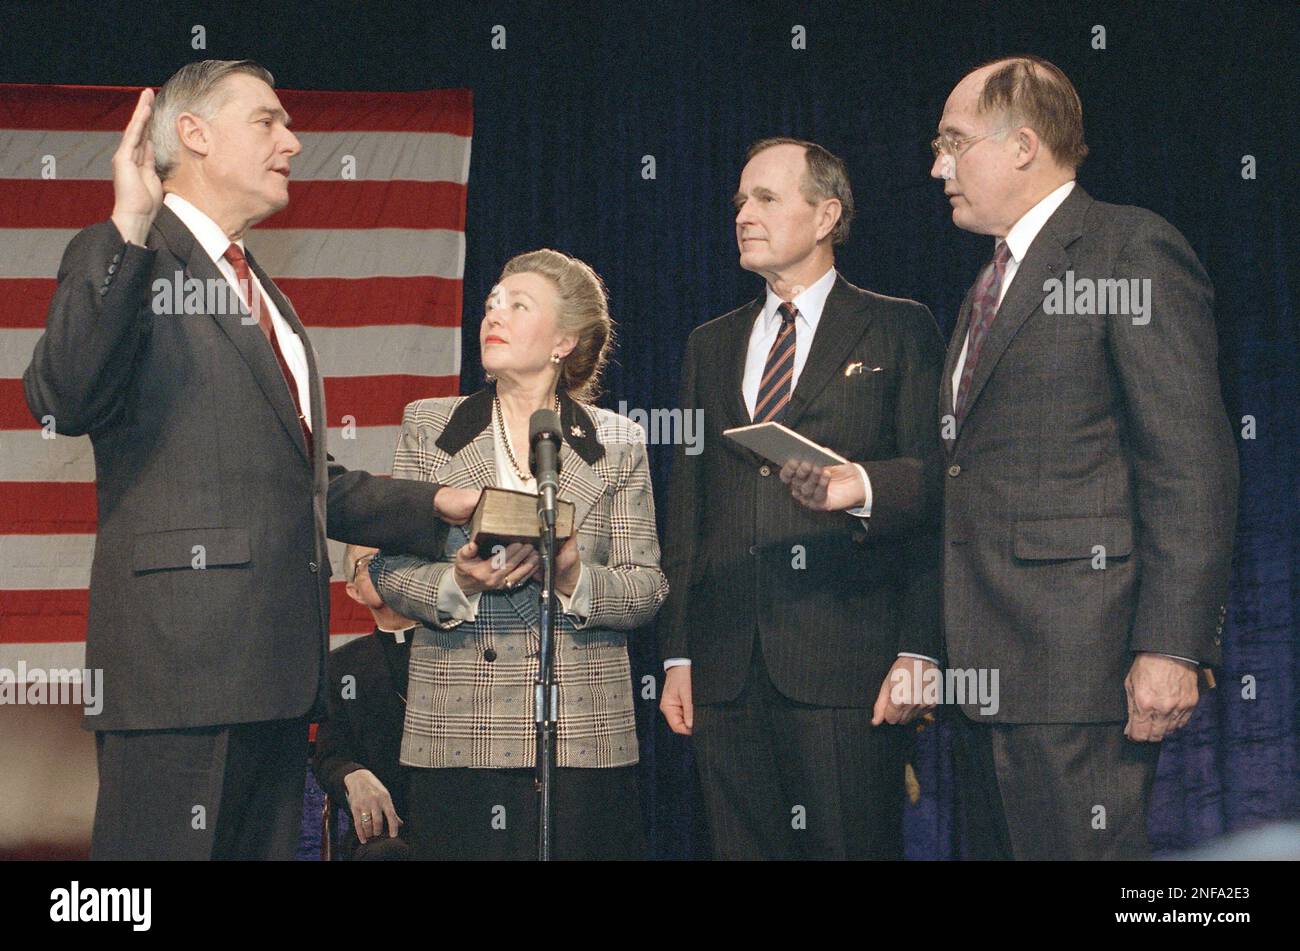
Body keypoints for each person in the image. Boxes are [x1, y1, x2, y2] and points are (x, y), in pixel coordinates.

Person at [22, 60, 475, 860]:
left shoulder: (267, 295)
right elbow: (64, 396)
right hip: (177, 680)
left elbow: (304, 482)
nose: (293, 142)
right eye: (267, 121)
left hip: (276, 683)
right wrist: (128, 224)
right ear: (192, 133)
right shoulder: (127, 255)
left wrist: (439, 507)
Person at [928, 55, 1238, 859]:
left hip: (1080, 670)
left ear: (1024, 144)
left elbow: (1190, 463)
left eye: (953, 142)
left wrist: (1172, 645)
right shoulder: (986, 285)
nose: (938, 167)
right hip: (986, 675)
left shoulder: (1130, 248)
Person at [658, 138, 945, 859]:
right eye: (739, 203)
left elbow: (934, 494)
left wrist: (921, 647)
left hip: (849, 665)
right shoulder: (709, 344)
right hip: (725, 669)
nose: (744, 215)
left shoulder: (899, 325)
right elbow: (688, 507)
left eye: (766, 198)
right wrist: (678, 656)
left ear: (825, 215)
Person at [370, 249, 668, 860]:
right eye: (491, 305)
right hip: (458, 728)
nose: (494, 315)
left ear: (564, 339)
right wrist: (459, 580)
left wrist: (573, 575)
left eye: (518, 305)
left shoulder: (618, 440)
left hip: (582, 732)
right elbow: (387, 572)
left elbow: (648, 590)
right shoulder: (429, 427)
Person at [312, 545, 418, 860]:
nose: (386, 568)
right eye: (372, 562)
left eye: (396, 557)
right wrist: (352, 774)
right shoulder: (341, 667)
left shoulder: (463, 649)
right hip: (388, 834)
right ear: (354, 591)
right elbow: (330, 755)